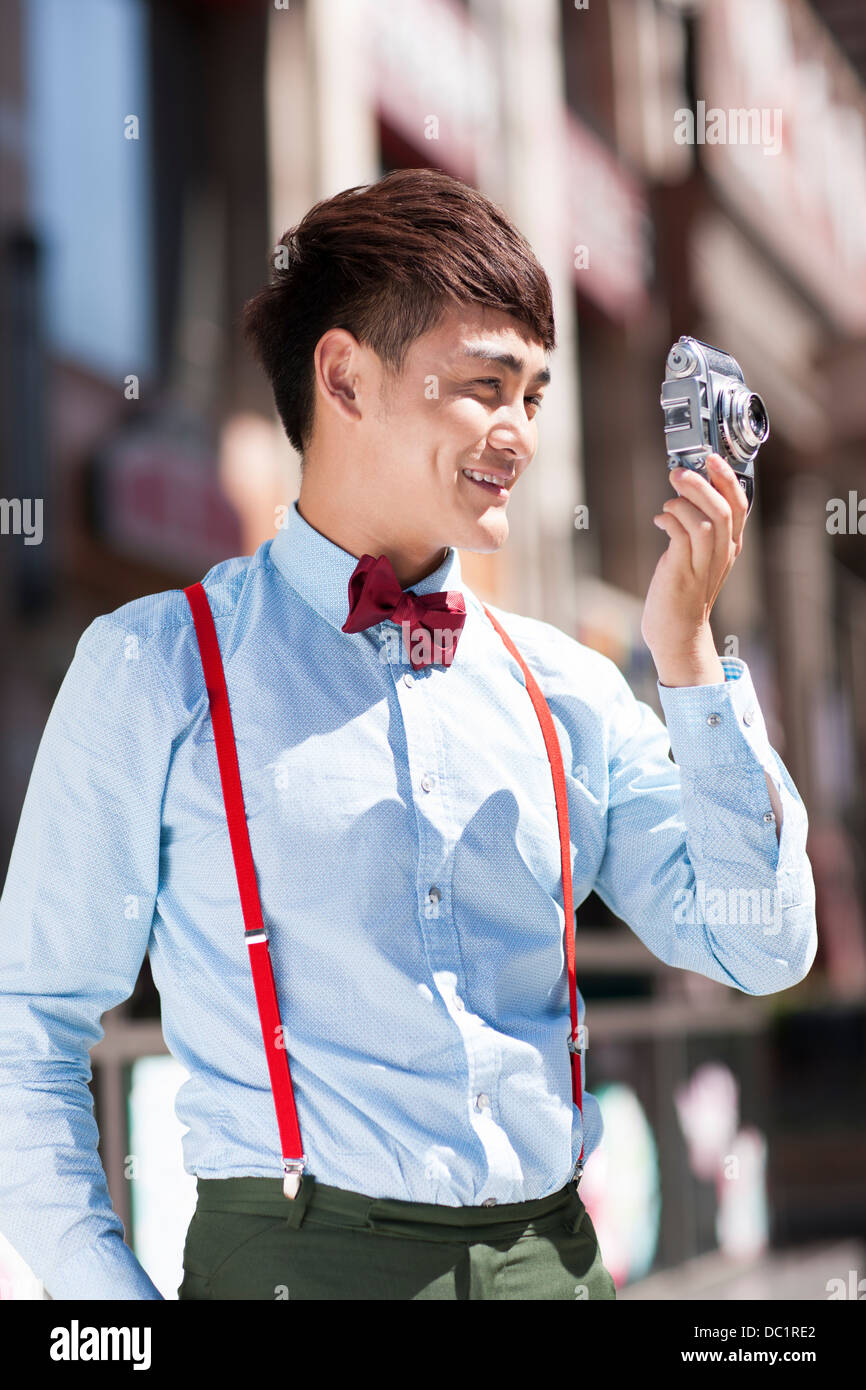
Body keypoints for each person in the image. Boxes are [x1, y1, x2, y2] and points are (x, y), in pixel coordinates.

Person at [0, 168, 817, 1301]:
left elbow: (758, 945)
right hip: (293, 1265)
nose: (519, 433)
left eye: (534, 394)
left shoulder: (563, 687)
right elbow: (26, 1026)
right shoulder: (160, 666)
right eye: (484, 385)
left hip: (554, 1265)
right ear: (343, 374)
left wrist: (688, 658)